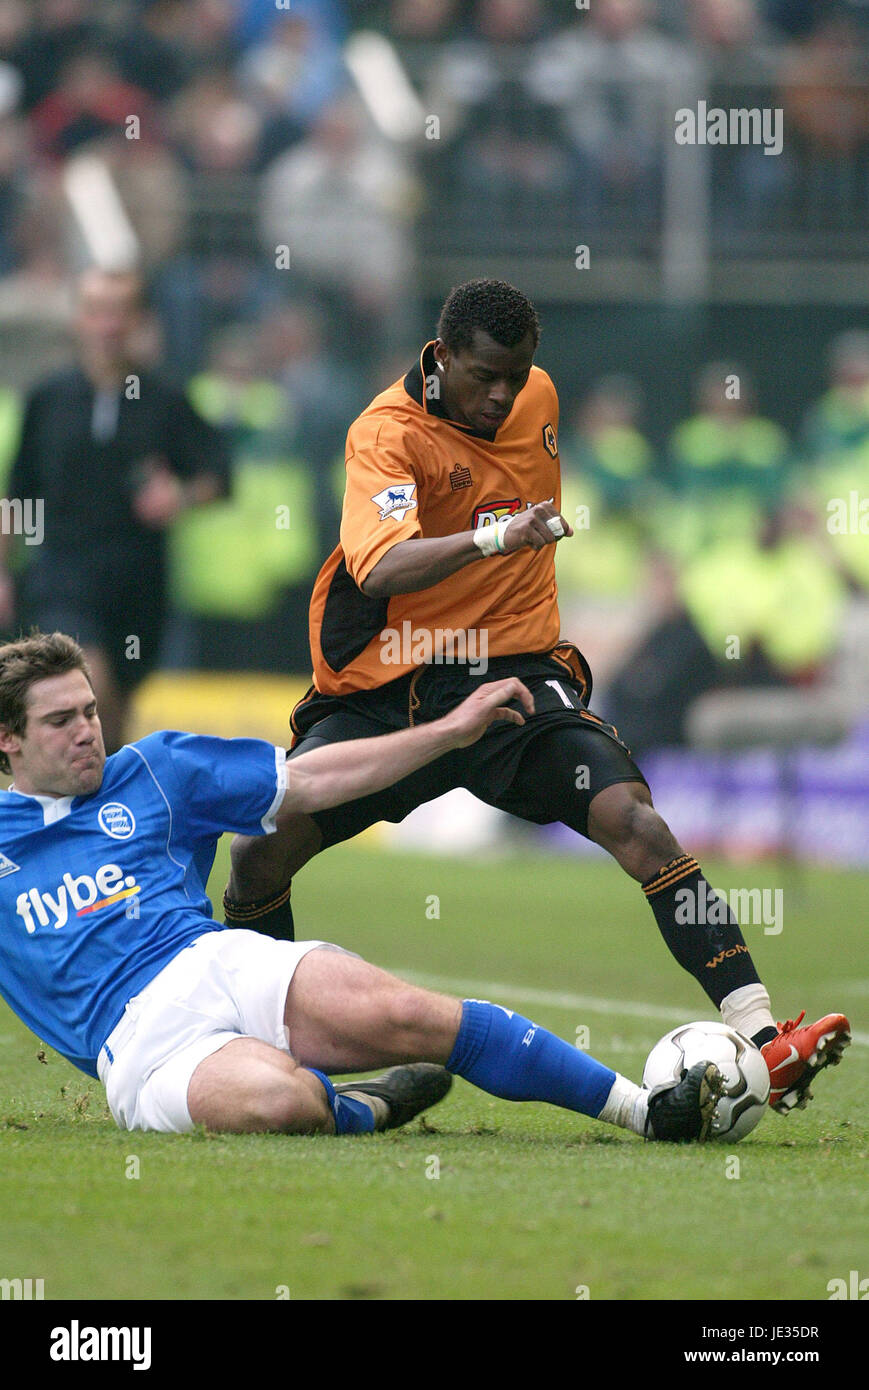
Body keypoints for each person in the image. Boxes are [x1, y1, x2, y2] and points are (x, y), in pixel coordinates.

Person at [225, 278, 850, 1116]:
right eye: (484, 376)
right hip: (390, 684)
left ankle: (766, 1041)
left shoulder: (538, 393)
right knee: (261, 849)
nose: (501, 396)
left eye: (515, 377)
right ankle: (264, 1058)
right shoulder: (385, 435)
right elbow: (378, 567)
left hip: (513, 674)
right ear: (439, 358)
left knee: (636, 821)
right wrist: (497, 534)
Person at [0, 630, 720, 1142]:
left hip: (217, 961)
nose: (87, 731)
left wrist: (449, 731)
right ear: (9, 739)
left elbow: (314, 778)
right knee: (281, 1101)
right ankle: (364, 1109)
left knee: (419, 1017)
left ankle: (644, 1110)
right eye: (60, 721)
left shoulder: (157, 768)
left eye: (90, 711)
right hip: (140, 1046)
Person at [0, 266, 230, 752]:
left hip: (138, 583)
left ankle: (105, 816)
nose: (108, 325)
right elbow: (19, 494)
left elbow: (219, 476)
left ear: (140, 320)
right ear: (78, 320)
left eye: (120, 312)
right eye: (96, 311)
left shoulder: (165, 400)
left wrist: (180, 496)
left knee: (115, 713)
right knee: (87, 682)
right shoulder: (49, 398)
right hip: (62, 576)